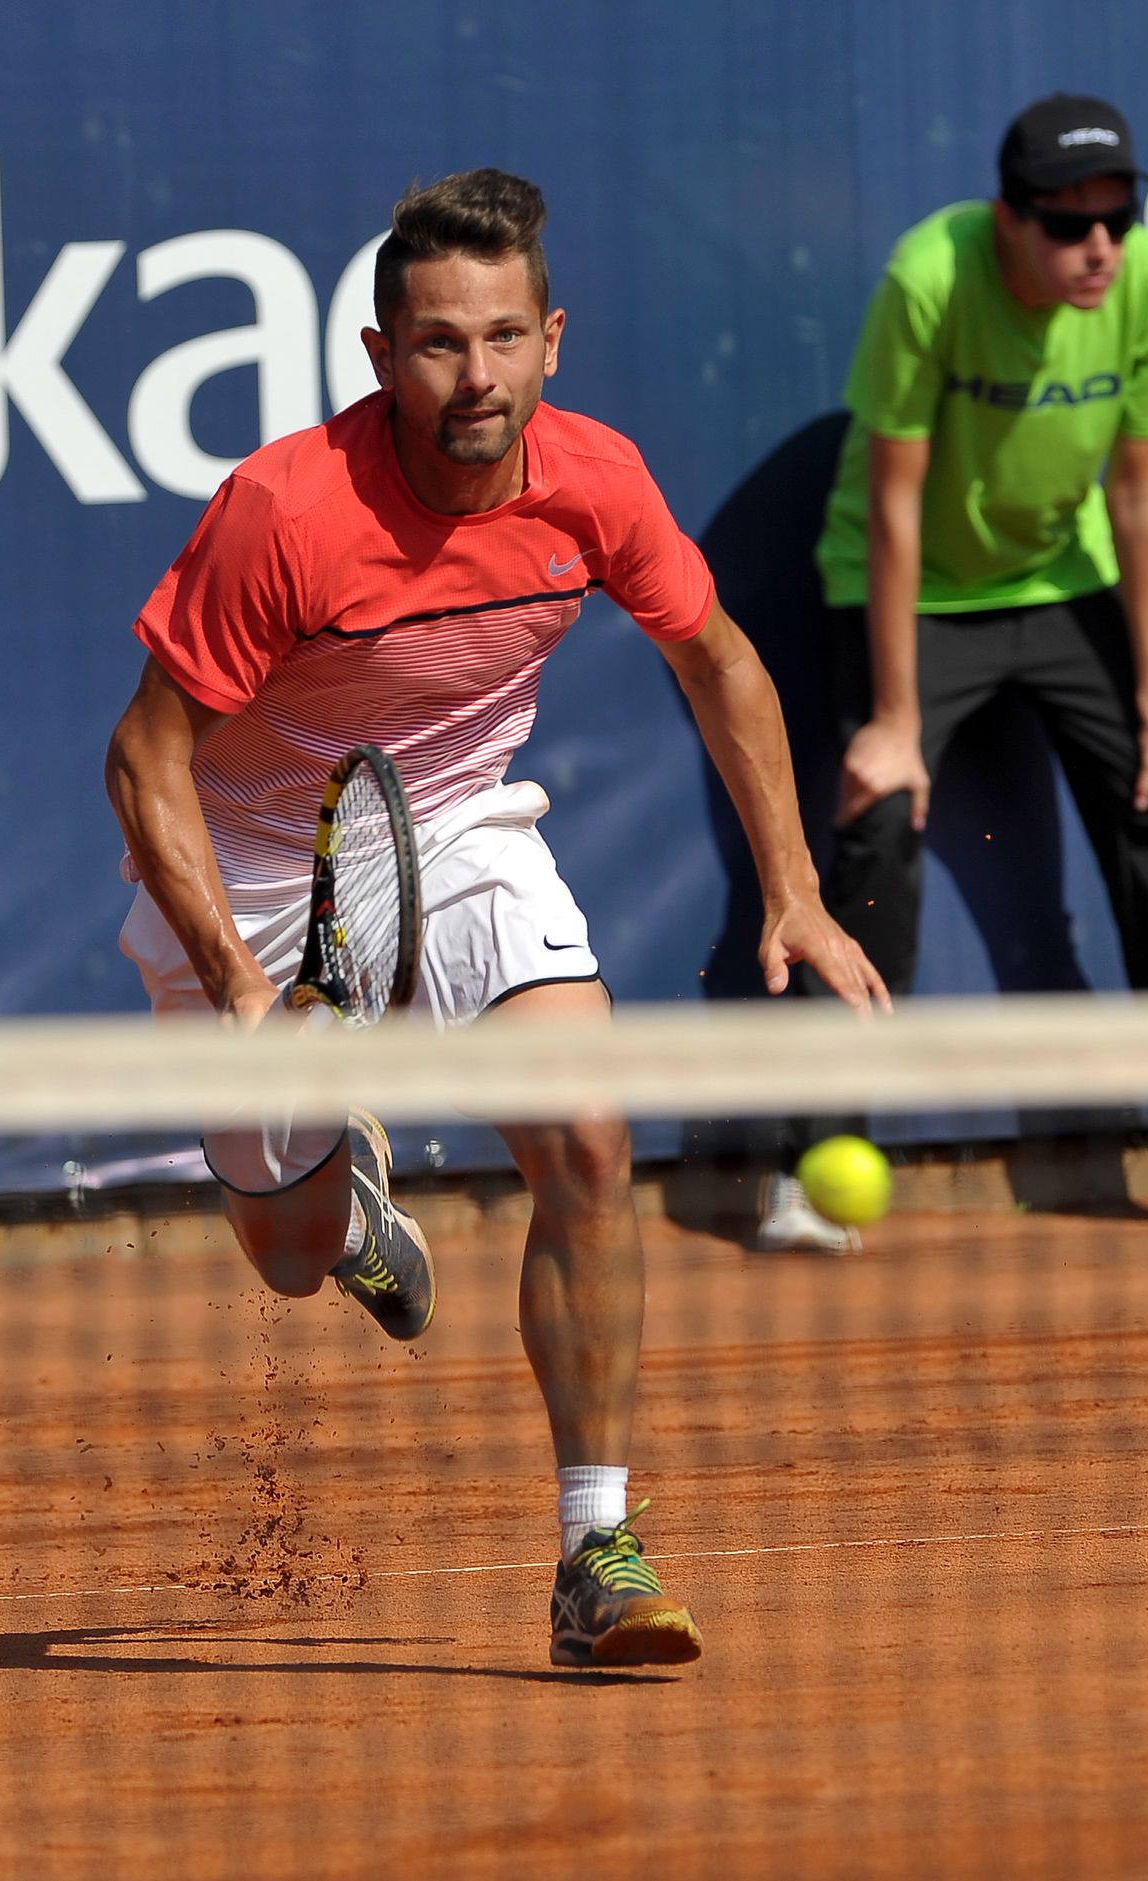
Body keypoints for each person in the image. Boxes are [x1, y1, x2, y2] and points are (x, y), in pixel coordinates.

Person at [106, 167, 887, 1668]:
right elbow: (144, 758)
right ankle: (346, 1208)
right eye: (440, 343)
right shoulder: (284, 512)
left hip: (455, 819)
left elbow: (718, 662)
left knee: (589, 1136)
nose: (477, 376)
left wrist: (791, 876)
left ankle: (597, 1545)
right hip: (247, 869)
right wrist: (241, 987)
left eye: (505, 338)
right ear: (380, 353)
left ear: (553, 340)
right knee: (279, 1248)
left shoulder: (594, 482)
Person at [761, 92, 1148, 1254]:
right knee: (875, 820)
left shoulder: (1132, 278)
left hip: (1060, 578)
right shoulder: (927, 276)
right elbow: (888, 502)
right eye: (1065, 224)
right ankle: (815, 1162)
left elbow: (1133, 492)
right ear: (1005, 220)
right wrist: (892, 718)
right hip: (912, 590)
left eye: (1115, 219)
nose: (1095, 247)